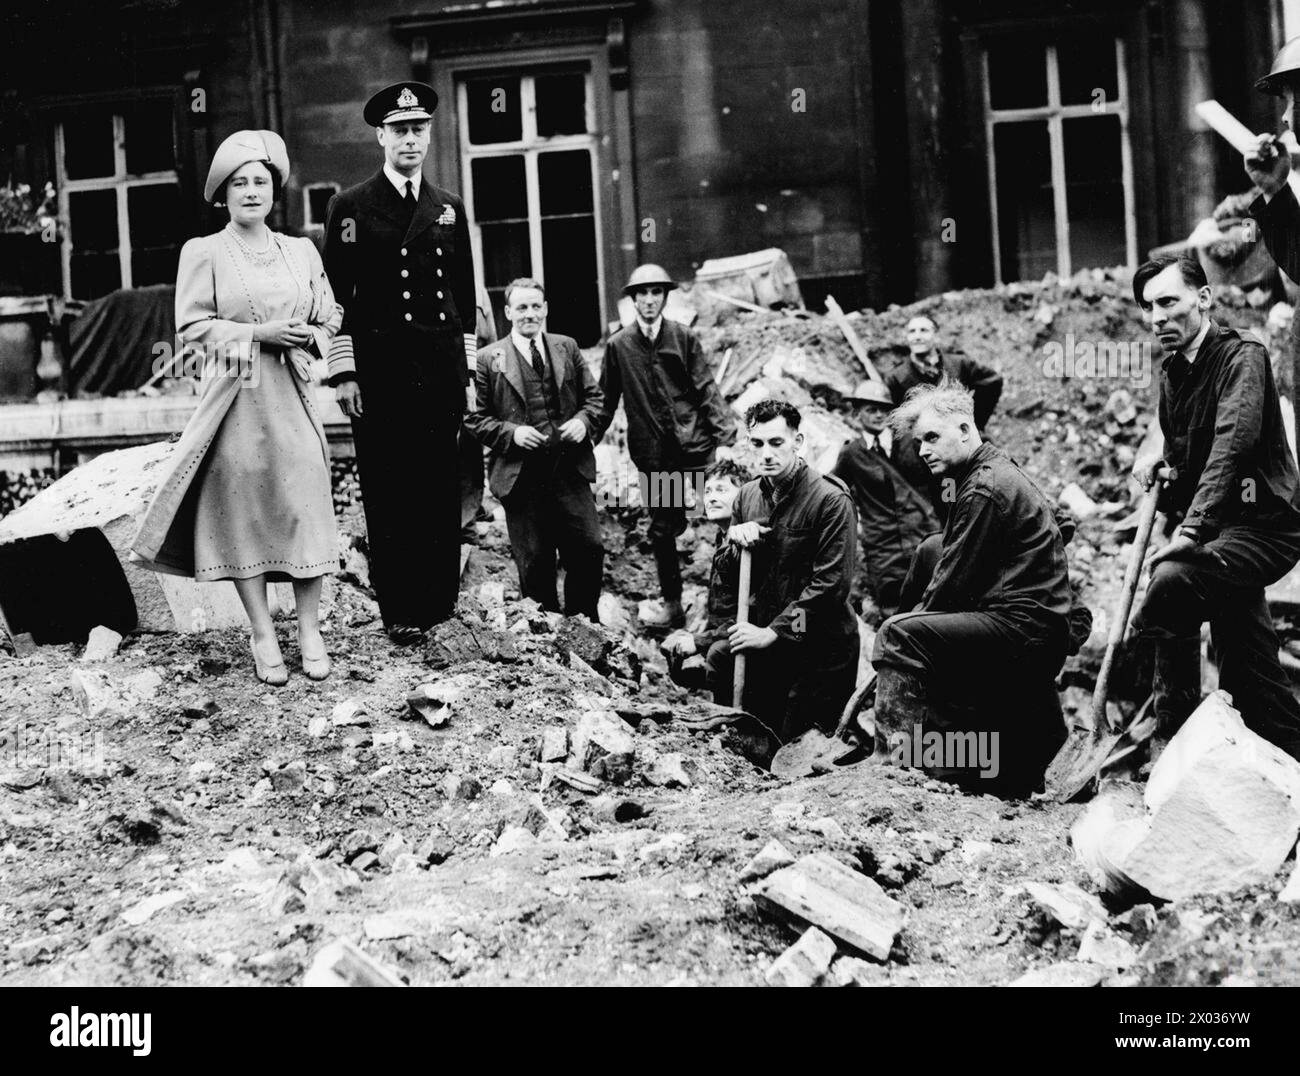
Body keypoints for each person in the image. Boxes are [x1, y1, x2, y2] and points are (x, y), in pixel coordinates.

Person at [132, 130, 342, 685]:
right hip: (235, 395)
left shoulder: (301, 251)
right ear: (223, 195)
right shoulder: (204, 252)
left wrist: (310, 339)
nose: (251, 192)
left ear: (276, 190)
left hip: (292, 392)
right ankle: (262, 631)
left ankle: (310, 628)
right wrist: (260, 332)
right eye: (239, 184)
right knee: (246, 505)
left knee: (305, 498)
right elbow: (192, 327)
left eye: (261, 182)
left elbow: (331, 314)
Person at [323, 81, 477, 644]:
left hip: (438, 370)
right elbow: (335, 296)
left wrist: (466, 373)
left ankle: (440, 607)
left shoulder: (449, 208)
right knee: (391, 489)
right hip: (382, 373)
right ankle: (401, 612)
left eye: (419, 130)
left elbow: (465, 295)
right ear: (381, 137)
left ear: (429, 135)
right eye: (399, 130)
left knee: (440, 486)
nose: (410, 139)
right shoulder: (351, 207)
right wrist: (343, 370)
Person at [1128, 254, 1300, 760]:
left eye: (1167, 302)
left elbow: (1234, 442)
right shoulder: (1173, 373)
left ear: (1202, 299)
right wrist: (1168, 466)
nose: (1156, 317)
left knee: (1173, 583)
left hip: (1264, 526)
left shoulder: (1243, 355)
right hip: (1220, 535)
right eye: (1147, 307)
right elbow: (1191, 455)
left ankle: (1171, 739)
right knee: (1252, 675)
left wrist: (1190, 530)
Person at [872, 382, 1072, 797]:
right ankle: (967, 752)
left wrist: (902, 633)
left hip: (1025, 629)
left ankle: (895, 762)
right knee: (930, 549)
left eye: (932, 438)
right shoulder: (991, 467)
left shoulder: (982, 487)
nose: (923, 450)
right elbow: (948, 560)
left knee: (899, 634)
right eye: (919, 442)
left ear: (964, 429)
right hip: (1029, 616)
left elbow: (952, 585)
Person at [704, 400, 859, 742]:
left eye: (777, 443)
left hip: (821, 650)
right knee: (756, 747)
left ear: (798, 442)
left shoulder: (830, 500)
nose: (767, 454)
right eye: (757, 444)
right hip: (771, 650)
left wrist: (773, 632)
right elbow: (727, 578)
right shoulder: (746, 497)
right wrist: (733, 541)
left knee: (800, 752)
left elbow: (831, 587)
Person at [596, 264, 735, 629]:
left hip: (696, 449)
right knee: (663, 529)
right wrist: (587, 441)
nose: (649, 300)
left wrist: (725, 440)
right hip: (658, 460)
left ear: (665, 297)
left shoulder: (682, 337)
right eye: (641, 294)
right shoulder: (619, 346)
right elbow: (605, 402)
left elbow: (706, 388)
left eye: (656, 292)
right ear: (633, 299)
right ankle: (673, 605)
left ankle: (733, 606)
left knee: (727, 519)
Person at [464, 278, 605, 620]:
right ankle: (548, 641)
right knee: (536, 563)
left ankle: (585, 625)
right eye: (522, 307)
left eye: (535, 307)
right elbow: (474, 417)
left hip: (569, 471)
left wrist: (583, 422)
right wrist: (512, 434)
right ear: (508, 312)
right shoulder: (487, 359)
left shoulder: (566, 347)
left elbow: (595, 399)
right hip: (522, 479)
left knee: (589, 548)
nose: (529, 314)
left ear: (545, 310)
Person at [831, 378, 939, 619]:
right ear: (857, 413)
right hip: (883, 548)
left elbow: (944, 480)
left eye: (883, 409)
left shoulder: (913, 443)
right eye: (871, 410)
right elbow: (832, 490)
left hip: (924, 536)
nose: (879, 415)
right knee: (895, 614)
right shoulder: (851, 454)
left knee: (938, 604)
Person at [887, 313, 1003, 509]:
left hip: (958, 445)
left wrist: (975, 420)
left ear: (936, 335)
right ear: (906, 338)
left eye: (923, 330)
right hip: (924, 455)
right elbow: (892, 418)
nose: (917, 336)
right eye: (912, 331)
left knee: (975, 491)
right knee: (942, 501)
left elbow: (992, 382)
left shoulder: (958, 364)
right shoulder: (897, 377)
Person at [662, 458, 752, 692]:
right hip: (725, 635)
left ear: (744, 496)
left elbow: (752, 615)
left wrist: (700, 641)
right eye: (707, 490)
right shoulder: (723, 537)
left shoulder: (748, 544)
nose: (710, 497)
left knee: (717, 653)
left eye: (721, 490)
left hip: (749, 640)